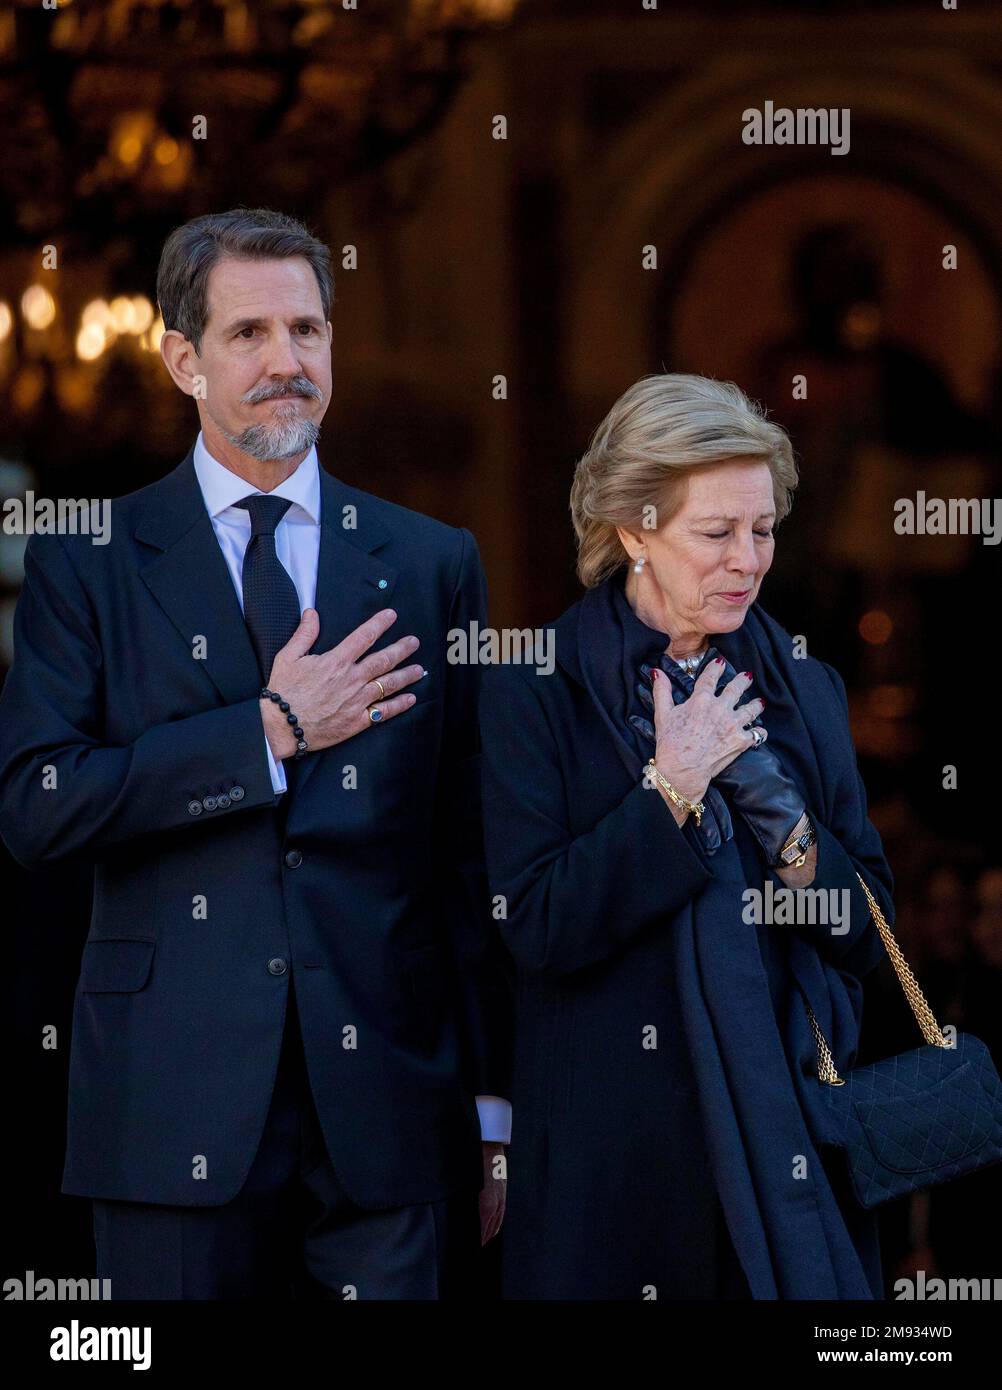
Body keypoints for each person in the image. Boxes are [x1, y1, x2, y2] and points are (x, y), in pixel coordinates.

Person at [0, 208, 511, 1299]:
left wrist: (492, 1107)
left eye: (309, 330)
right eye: (249, 335)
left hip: (390, 1110)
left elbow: (466, 857)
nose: (289, 362)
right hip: (168, 1099)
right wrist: (266, 733)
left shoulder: (430, 560)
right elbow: (39, 806)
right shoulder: (89, 560)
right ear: (182, 358)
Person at [480, 372, 893, 1300]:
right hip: (612, 1166)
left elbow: (873, 938)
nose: (746, 560)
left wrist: (787, 827)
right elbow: (537, 925)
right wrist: (671, 788)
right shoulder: (533, 691)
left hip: (789, 1139)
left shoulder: (805, 689)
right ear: (634, 530)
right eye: (715, 533)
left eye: (763, 530)